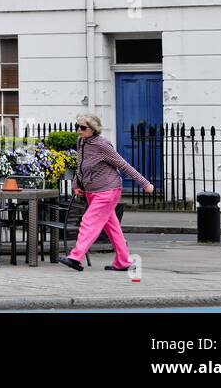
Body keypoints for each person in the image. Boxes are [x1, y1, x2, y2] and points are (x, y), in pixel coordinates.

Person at [57, 114, 153, 272]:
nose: (78, 131)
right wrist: (75, 185)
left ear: (93, 129)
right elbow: (80, 166)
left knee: (89, 221)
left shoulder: (102, 145)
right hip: (92, 191)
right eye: (77, 127)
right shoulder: (81, 142)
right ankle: (124, 262)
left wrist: (145, 183)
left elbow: (123, 164)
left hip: (108, 190)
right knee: (112, 228)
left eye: (82, 128)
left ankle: (76, 257)